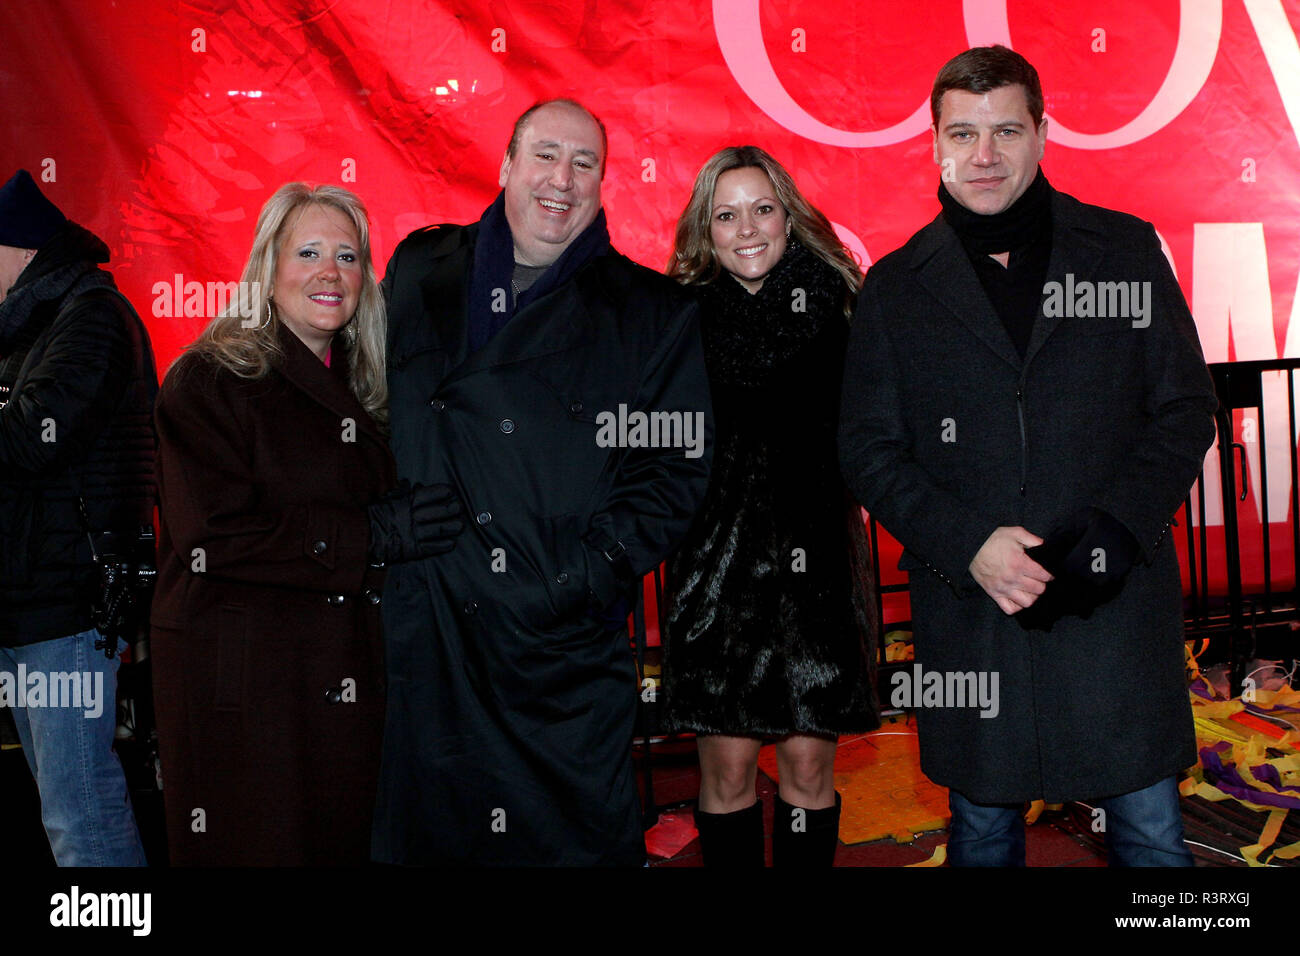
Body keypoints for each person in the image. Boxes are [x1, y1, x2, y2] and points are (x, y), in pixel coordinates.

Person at [839, 45, 1217, 866]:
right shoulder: (897, 288)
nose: (984, 155)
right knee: (981, 835)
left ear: (1042, 134)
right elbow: (868, 450)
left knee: (1150, 835)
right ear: (933, 144)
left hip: (1115, 608)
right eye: (963, 133)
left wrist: (1117, 528)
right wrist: (968, 544)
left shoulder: (1121, 250)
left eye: (1006, 130)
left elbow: (1187, 407)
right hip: (979, 622)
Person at [373, 98, 712, 866]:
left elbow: (676, 471)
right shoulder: (419, 266)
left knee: (568, 844)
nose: (562, 179)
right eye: (546, 155)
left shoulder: (648, 312)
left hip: (553, 650)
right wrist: (374, 522)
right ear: (506, 166)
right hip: (426, 628)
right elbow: (361, 399)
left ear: (602, 184)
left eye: (584, 163)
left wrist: (576, 578)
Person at [151, 183, 461, 865]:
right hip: (245, 697)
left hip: (340, 693)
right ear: (268, 265)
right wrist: (371, 535)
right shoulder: (207, 380)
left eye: (348, 256)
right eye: (310, 252)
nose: (331, 272)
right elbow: (215, 535)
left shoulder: (372, 390)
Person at [661, 146, 879, 867]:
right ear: (706, 229)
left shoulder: (842, 304)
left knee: (810, 772)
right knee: (724, 775)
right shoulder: (677, 321)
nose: (746, 228)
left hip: (816, 576)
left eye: (762, 209)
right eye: (727, 214)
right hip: (716, 579)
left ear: (789, 217)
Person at [0, 169, 154, 866]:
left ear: (21, 252)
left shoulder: (90, 317)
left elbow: (32, 437)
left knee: (80, 813)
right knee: (65, 809)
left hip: (68, 609)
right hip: (33, 601)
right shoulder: (35, 325)